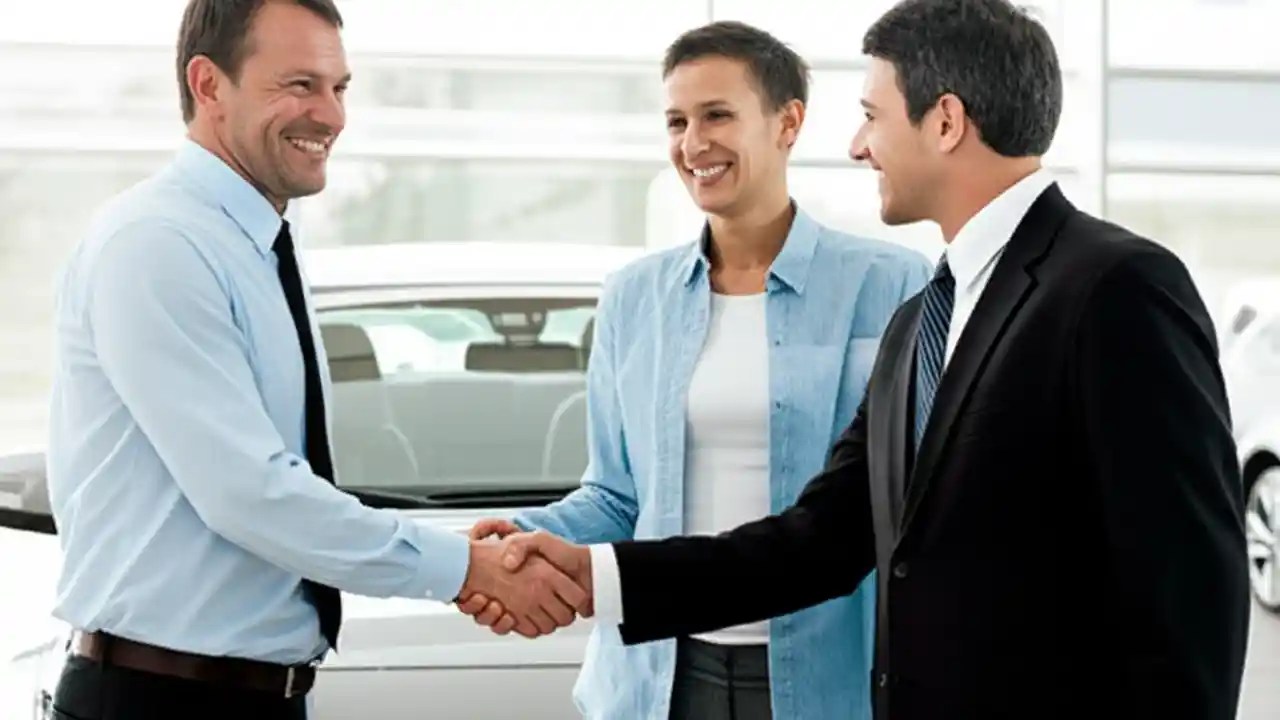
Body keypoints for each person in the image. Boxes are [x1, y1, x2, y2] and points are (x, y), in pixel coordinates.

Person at [479, 1, 1252, 718]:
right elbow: (821, 538)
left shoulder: (1116, 285)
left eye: (871, 117)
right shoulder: (922, 318)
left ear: (944, 120)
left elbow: (1188, 600)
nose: (856, 146)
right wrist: (595, 575)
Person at [45, 1, 585, 718]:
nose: (330, 116)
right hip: (159, 697)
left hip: (256, 692)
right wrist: (464, 568)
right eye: (299, 85)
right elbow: (251, 492)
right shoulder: (158, 247)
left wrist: (469, 552)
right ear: (208, 85)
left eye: (340, 88)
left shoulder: (260, 245)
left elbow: (285, 480)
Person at [460, 20, 931, 720]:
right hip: (658, 674)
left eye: (717, 115)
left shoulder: (892, 284)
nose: (692, 143)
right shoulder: (633, 297)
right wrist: (519, 539)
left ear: (787, 122)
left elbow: (902, 504)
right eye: (677, 121)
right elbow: (618, 498)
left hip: (830, 675)